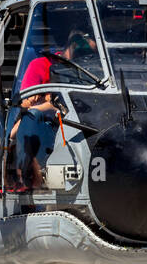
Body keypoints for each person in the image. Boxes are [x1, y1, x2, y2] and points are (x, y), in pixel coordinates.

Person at [10, 31, 98, 189]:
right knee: (32, 116)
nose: (85, 57)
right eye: (83, 50)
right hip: (50, 127)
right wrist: (48, 104)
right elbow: (25, 104)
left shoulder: (97, 70)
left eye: (90, 53)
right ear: (71, 45)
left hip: (85, 125)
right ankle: (32, 181)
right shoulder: (40, 65)